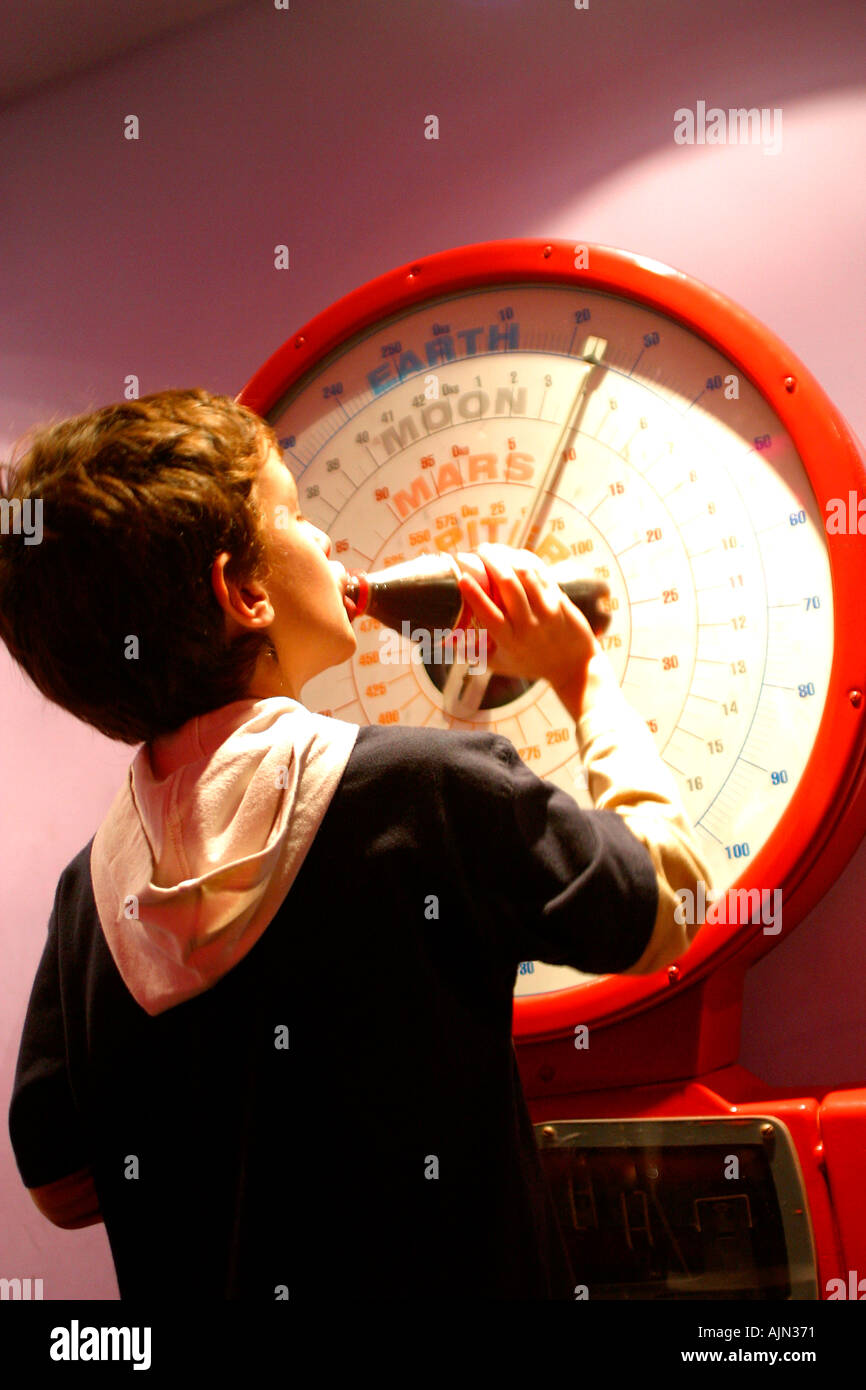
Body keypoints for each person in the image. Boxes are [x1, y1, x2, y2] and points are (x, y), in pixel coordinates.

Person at [3, 388, 711, 1300]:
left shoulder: (86, 899)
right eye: (294, 515)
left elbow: (59, 1181)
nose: (328, 542)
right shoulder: (428, 791)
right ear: (244, 592)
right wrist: (583, 679)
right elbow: (666, 902)